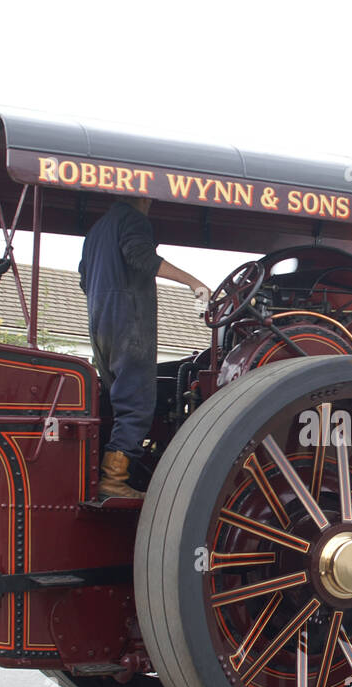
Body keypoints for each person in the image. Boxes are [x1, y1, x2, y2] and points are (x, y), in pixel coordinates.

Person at [79, 196, 206, 499]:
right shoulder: (134, 220)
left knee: (116, 398)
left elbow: (85, 278)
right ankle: (114, 479)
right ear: (142, 195)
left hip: (99, 322)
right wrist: (194, 282)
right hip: (129, 321)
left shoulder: (96, 230)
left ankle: (112, 470)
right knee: (136, 403)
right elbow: (141, 258)